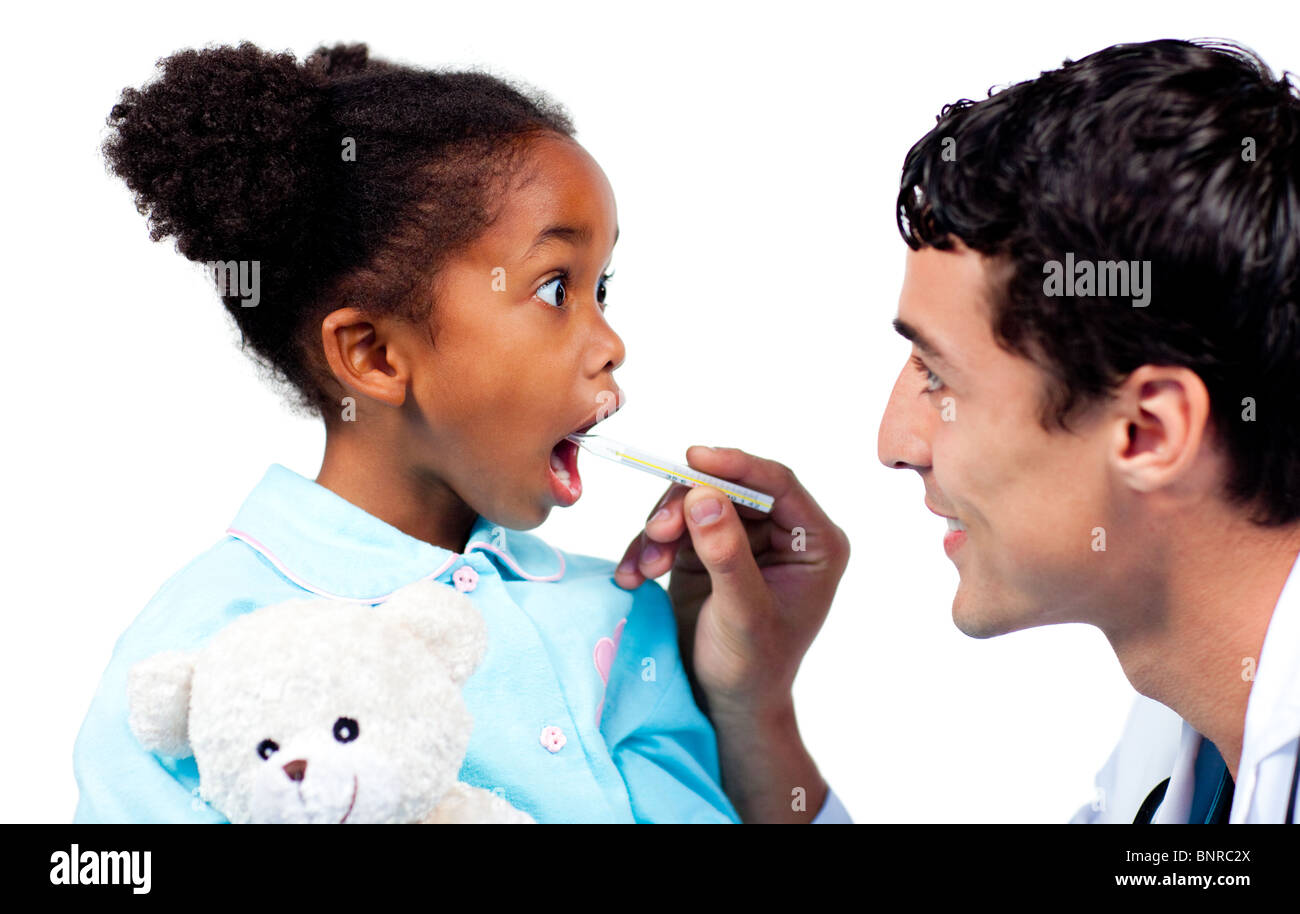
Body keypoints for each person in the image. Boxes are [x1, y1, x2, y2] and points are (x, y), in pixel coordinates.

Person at [623, 38, 1300, 823]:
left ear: (1148, 432)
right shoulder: (1179, 754)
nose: (895, 444)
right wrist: (754, 709)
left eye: (938, 376)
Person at [75, 41, 748, 823]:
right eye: (558, 287)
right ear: (375, 355)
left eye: (604, 288)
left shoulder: (619, 614)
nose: (612, 344)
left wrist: (752, 694)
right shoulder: (191, 645)